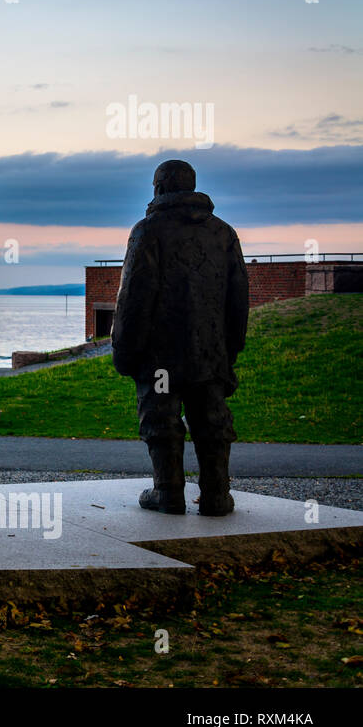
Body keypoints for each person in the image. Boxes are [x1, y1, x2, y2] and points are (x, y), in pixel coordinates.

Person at [112, 159, 249, 516]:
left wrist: (125, 352)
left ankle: (168, 491)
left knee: (161, 419)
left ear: (158, 189)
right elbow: (239, 299)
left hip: (161, 359)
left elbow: (133, 298)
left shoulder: (148, 231)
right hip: (210, 352)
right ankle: (217, 494)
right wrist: (230, 349)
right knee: (211, 419)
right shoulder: (223, 233)